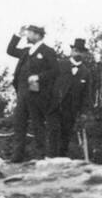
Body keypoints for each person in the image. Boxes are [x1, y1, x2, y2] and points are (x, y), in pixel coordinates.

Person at [6, 25, 59, 163]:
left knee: (37, 123)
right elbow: (10, 50)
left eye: (29, 33)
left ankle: (40, 155)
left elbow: (55, 71)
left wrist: (39, 77)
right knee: (19, 123)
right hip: (22, 92)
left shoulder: (48, 51)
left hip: (37, 93)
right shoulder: (26, 51)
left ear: (38, 35)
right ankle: (17, 156)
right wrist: (18, 35)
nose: (27, 36)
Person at [47, 38, 93, 158]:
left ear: (84, 54)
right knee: (53, 133)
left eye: (81, 52)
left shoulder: (85, 73)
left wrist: (84, 113)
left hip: (71, 111)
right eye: (76, 50)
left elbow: (86, 95)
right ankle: (50, 160)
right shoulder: (59, 65)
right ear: (72, 51)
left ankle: (62, 162)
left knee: (65, 136)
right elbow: (48, 83)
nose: (78, 53)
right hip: (55, 107)